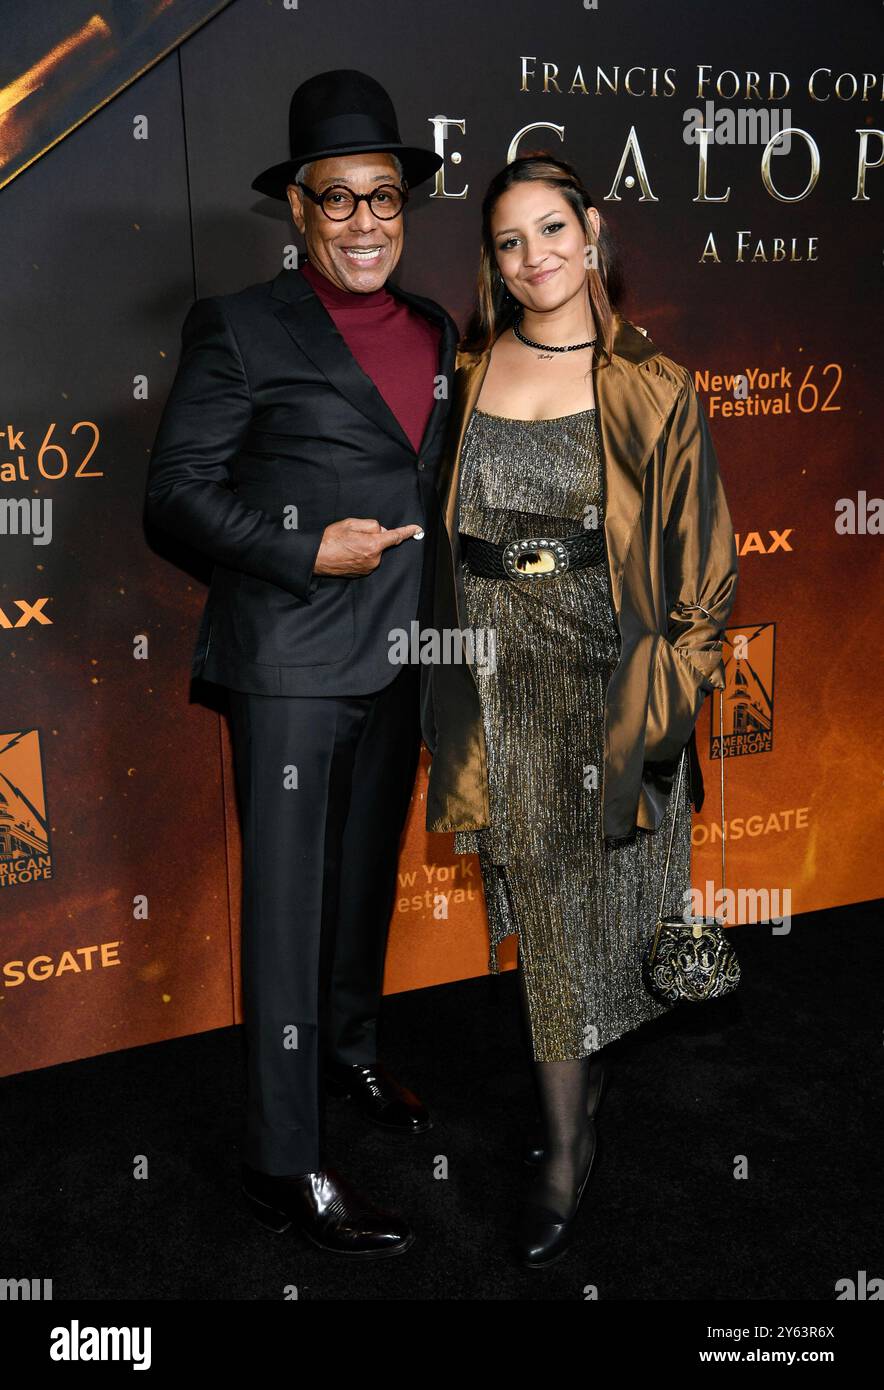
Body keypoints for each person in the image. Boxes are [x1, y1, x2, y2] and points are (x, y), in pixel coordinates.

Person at [145, 70, 459, 1257]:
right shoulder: (238, 325)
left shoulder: (436, 327)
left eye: (384, 197)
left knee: (362, 887)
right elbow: (173, 495)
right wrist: (299, 545)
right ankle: (282, 1164)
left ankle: (348, 1058)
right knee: (285, 915)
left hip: (402, 662)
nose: (366, 221)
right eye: (339, 200)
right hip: (286, 666)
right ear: (299, 211)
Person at [423, 153, 739, 1267]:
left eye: (550, 229)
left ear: (591, 228)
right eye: (508, 243)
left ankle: (573, 1120)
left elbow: (703, 583)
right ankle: (565, 1142)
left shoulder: (652, 383)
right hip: (495, 685)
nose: (532, 259)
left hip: (605, 688)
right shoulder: (464, 371)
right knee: (547, 916)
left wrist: (657, 705)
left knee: (590, 917)